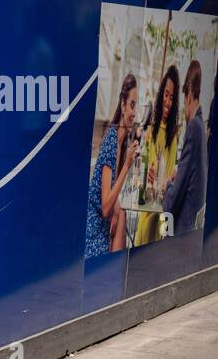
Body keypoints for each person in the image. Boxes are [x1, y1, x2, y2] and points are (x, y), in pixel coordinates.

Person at [85, 74, 140, 258]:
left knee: (122, 214)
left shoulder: (120, 143)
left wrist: (116, 210)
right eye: (131, 105)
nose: (134, 113)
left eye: (136, 106)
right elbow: (105, 208)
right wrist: (127, 166)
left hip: (102, 227)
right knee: (120, 214)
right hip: (93, 231)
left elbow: (111, 200)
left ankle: (115, 277)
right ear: (123, 105)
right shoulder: (111, 140)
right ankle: (113, 277)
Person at [134, 65, 181, 246]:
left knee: (161, 243)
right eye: (166, 95)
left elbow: (169, 179)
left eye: (172, 97)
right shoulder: (150, 131)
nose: (168, 101)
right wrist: (145, 180)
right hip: (146, 208)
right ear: (161, 94)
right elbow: (141, 177)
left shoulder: (173, 135)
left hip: (162, 209)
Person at [163, 60, 206, 236]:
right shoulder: (201, 126)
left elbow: (172, 203)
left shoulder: (193, 128)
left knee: (161, 226)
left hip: (180, 234)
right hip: (190, 229)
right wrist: (177, 174)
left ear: (188, 95)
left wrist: (166, 185)